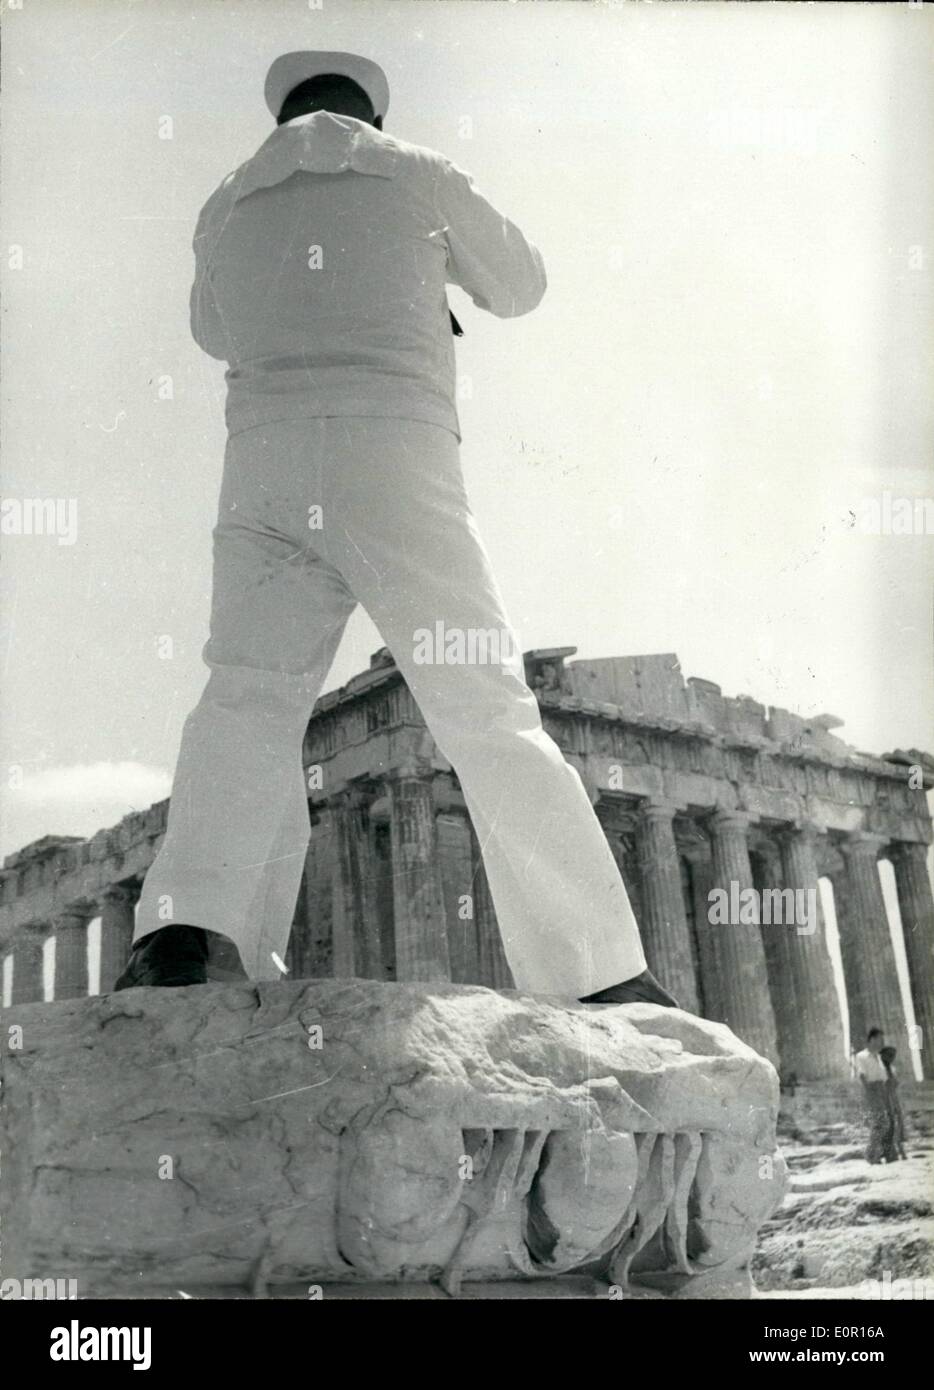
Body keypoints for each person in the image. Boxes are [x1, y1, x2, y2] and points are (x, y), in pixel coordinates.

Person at [115, 51, 676, 1009]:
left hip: (262, 465)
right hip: (397, 455)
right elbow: (522, 282)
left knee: (245, 698)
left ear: (283, 110)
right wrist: (427, 279)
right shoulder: (416, 169)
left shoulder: (223, 201)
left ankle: (184, 932)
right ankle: (597, 971)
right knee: (484, 706)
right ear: (369, 111)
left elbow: (214, 330)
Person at [854, 1028, 890, 1164]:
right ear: (872, 1039)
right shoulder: (861, 1056)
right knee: (880, 1122)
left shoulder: (879, 1057)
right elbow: (862, 1075)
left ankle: (874, 1153)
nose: (882, 1043)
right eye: (880, 1039)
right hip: (872, 1090)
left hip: (882, 1090)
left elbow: (884, 1076)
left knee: (883, 1123)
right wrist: (870, 1092)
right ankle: (871, 1154)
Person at [879, 1045, 908, 1162]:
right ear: (882, 1056)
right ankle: (889, 1153)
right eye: (889, 1055)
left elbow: (895, 1083)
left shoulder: (893, 1069)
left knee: (897, 1124)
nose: (891, 1058)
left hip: (893, 1098)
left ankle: (900, 1150)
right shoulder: (878, 1069)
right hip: (883, 1099)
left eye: (893, 1056)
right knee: (887, 1126)